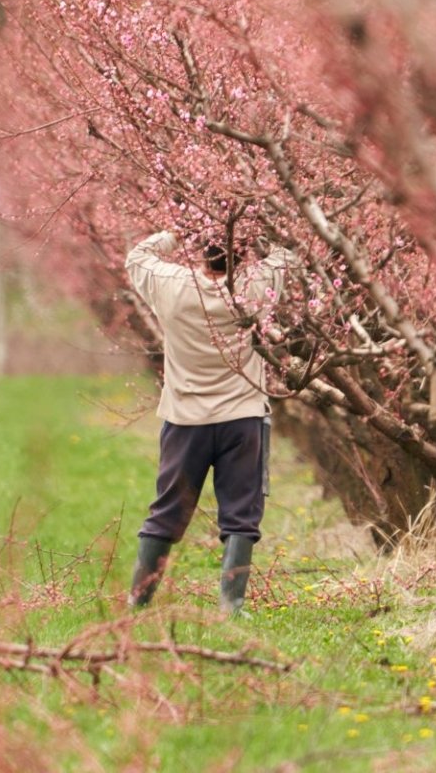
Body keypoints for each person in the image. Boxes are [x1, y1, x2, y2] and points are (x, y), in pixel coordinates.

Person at [124, 230, 294, 614]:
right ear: (242, 255)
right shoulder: (255, 285)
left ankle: (138, 600)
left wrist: (177, 232)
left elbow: (137, 256)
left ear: (202, 254)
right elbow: (288, 254)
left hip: (186, 419)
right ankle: (231, 607)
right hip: (243, 417)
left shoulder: (172, 285)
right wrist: (259, 227)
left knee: (167, 508)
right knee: (242, 513)